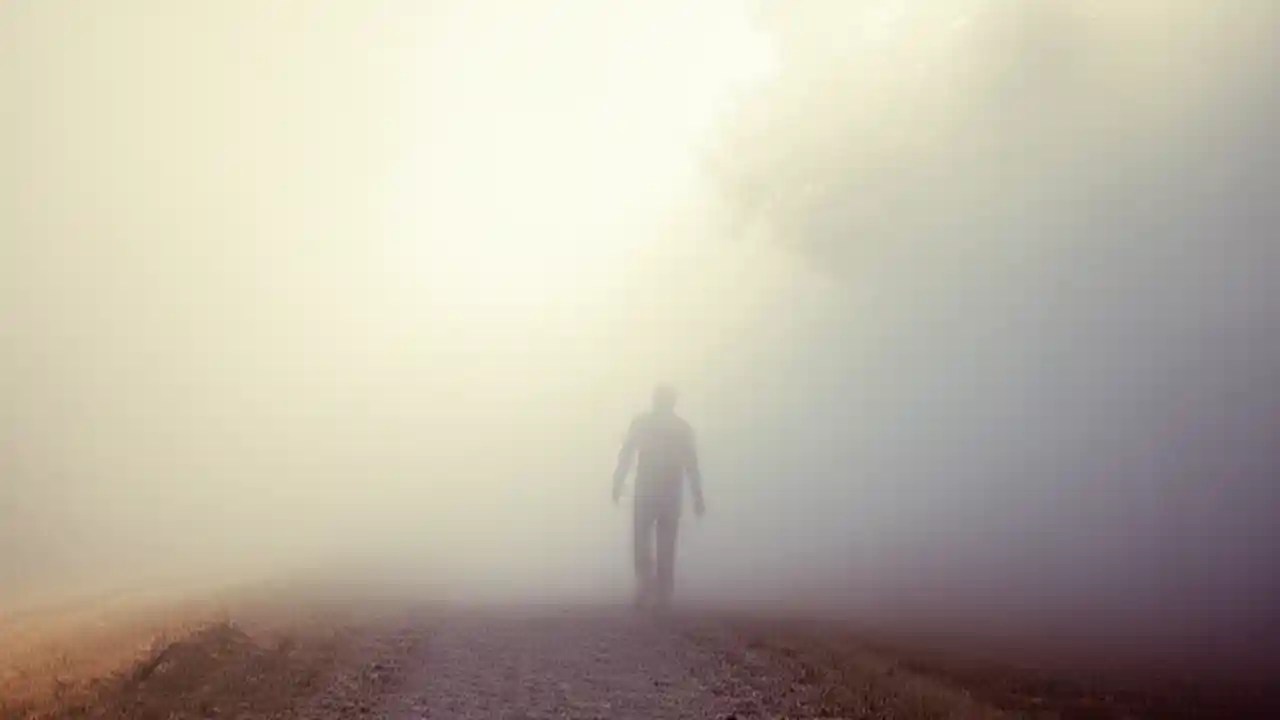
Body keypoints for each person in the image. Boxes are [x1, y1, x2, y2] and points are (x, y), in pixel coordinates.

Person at [613, 384, 705, 609]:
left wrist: (618, 480)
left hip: (649, 489)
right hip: (667, 491)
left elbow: (627, 453)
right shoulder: (681, 427)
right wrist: (697, 495)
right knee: (665, 540)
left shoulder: (643, 423)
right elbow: (691, 464)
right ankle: (659, 591)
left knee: (645, 539)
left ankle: (649, 587)